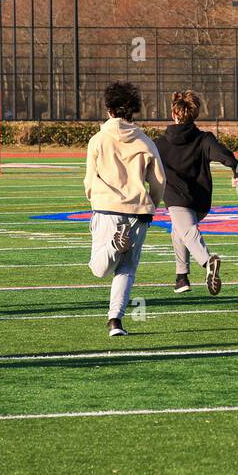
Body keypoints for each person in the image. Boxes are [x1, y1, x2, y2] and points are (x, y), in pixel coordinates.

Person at [84, 81, 166, 337]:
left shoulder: (97, 140)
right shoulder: (145, 142)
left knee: (99, 269)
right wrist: (151, 204)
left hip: (106, 209)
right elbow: (159, 180)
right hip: (137, 212)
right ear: (132, 111)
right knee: (126, 270)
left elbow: (89, 180)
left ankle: (112, 246)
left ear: (109, 110)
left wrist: (95, 198)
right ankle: (115, 321)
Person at [153, 90, 238, 295]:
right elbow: (226, 156)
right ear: (195, 115)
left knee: (188, 231)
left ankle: (207, 261)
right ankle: (181, 277)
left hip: (176, 199)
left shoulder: (159, 143)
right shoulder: (204, 139)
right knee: (179, 230)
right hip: (200, 200)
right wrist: (237, 171)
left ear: (174, 114)